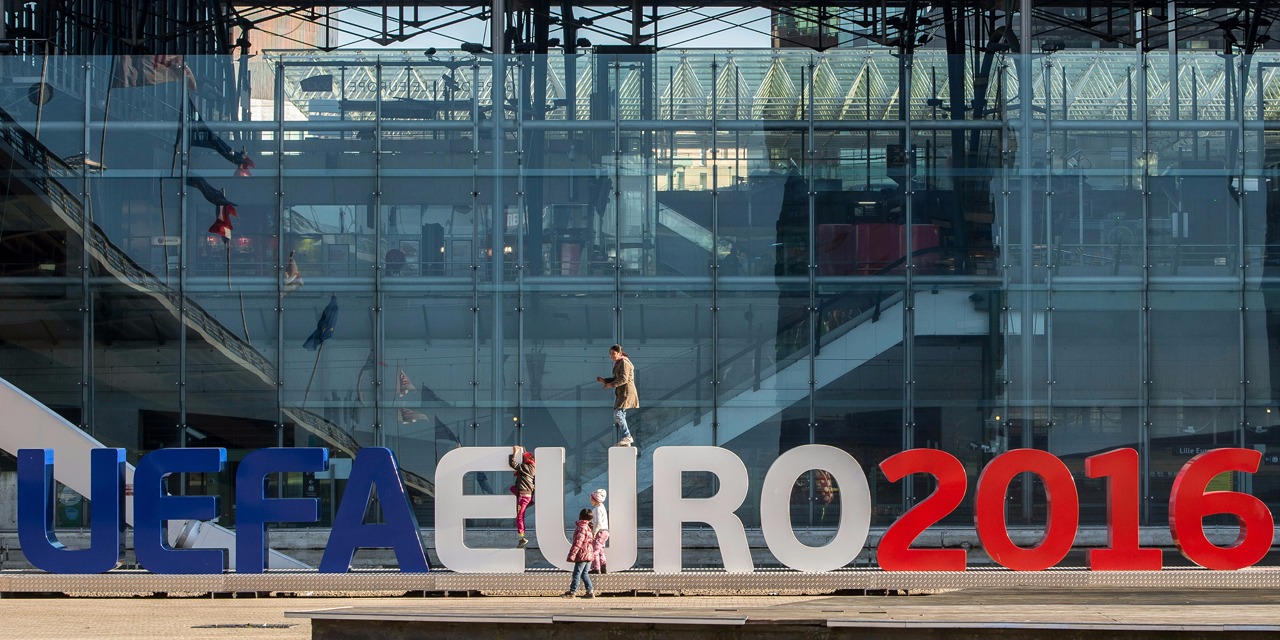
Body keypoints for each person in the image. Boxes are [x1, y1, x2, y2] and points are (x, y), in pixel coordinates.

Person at [596, 344, 638, 447]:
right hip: (622, 393)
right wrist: (605, 380)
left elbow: (623, 379)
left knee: (618, 414)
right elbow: (617, 378)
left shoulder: (624, 362)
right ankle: (626, 440)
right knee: (621, 414)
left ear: (620, 353)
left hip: (626, 393)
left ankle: (627, 436)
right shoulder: (619, 363)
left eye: (614, 353)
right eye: (610, 354)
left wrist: (611, 384)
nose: (612, 356)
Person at [563, 508, 596, 598]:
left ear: (580, 516)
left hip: (582, 554)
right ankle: (590, 591)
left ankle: (573, 592)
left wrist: (572, 554)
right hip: (589, 554)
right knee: (584, 573)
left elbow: (578, 542)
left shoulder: (581, 527)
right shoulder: (589, 527)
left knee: (576, 573)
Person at [509, 445, 535, 548]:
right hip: (527, 495)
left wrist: (514, 453)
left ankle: (522, 537)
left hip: (523, 496)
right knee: (512, 488)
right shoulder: (532, 467)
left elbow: (512, 463)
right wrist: (523, 450)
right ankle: (529, 503)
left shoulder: (524, 467)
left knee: (520, 516)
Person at [588, 488, 609, 574]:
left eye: (592, 499)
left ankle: (596, 568)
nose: (590, 501)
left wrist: (594, 532)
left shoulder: (597, 509)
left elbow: (598, 522)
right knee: (600, 550)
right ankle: (603, 567)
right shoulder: (602, 508)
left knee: (595, 551)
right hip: (605, 531)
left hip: (599, 532)